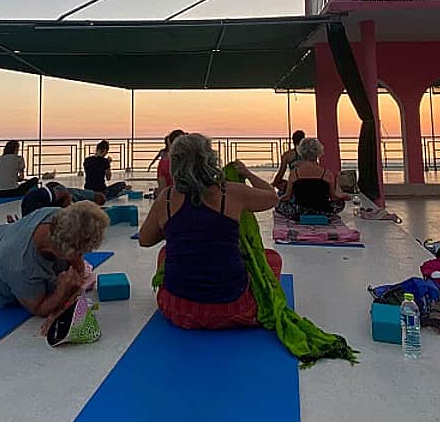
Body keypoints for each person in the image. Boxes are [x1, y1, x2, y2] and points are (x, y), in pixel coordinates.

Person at [138, 133, 281, 330]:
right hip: (232, 309)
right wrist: (247, 173)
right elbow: (272, 197)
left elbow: (145, 240)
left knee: (165, 254)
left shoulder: (167, 198)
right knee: (272, 259)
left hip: (178, 309)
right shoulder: (231, 192)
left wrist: (178, 228)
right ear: (211, 159)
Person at [0, 200, 109, 316]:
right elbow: (38, 308)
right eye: (79, 253)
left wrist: (77, 279)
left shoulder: (57, 214)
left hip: (1, 235)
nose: (81, 257)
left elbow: (78, 265)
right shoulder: (20, 265)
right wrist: (61, 291)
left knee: (63, 275)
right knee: (52, 288)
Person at [275, 137, 349, 221]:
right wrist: (342, 197)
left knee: (279, 197)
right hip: (323, 211)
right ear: (318, 152)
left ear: (301, 152)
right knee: (340, 203)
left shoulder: (295, 173)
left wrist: (276, 199)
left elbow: (287, 197)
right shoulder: (327, 174)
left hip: (300, 212)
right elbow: (333, 197)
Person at [272, 130, 307, 194]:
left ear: (293, 141)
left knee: (279, 182)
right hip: (308, 183)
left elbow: (280, 174)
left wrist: (273, 184)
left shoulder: (287, 155)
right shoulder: (310, 154)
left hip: (294, 184)